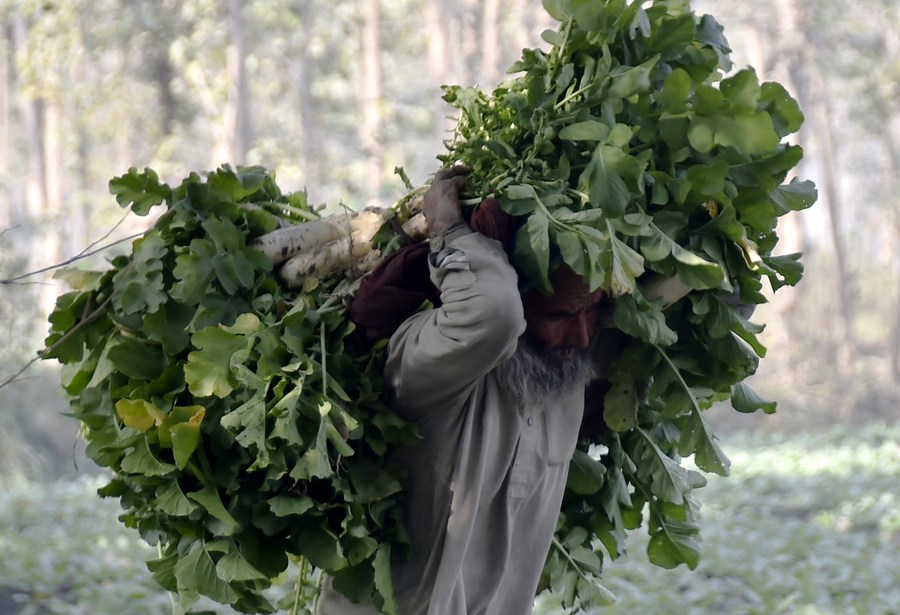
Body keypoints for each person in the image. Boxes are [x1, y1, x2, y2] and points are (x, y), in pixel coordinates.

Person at [318, 166, 608, 614]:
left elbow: (686, 296)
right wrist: (448, 230)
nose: (583, 335)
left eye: (591, 311)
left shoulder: (562, 377)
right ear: (519, 296)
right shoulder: (428, 357)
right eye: (559, 316)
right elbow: (493, 311)